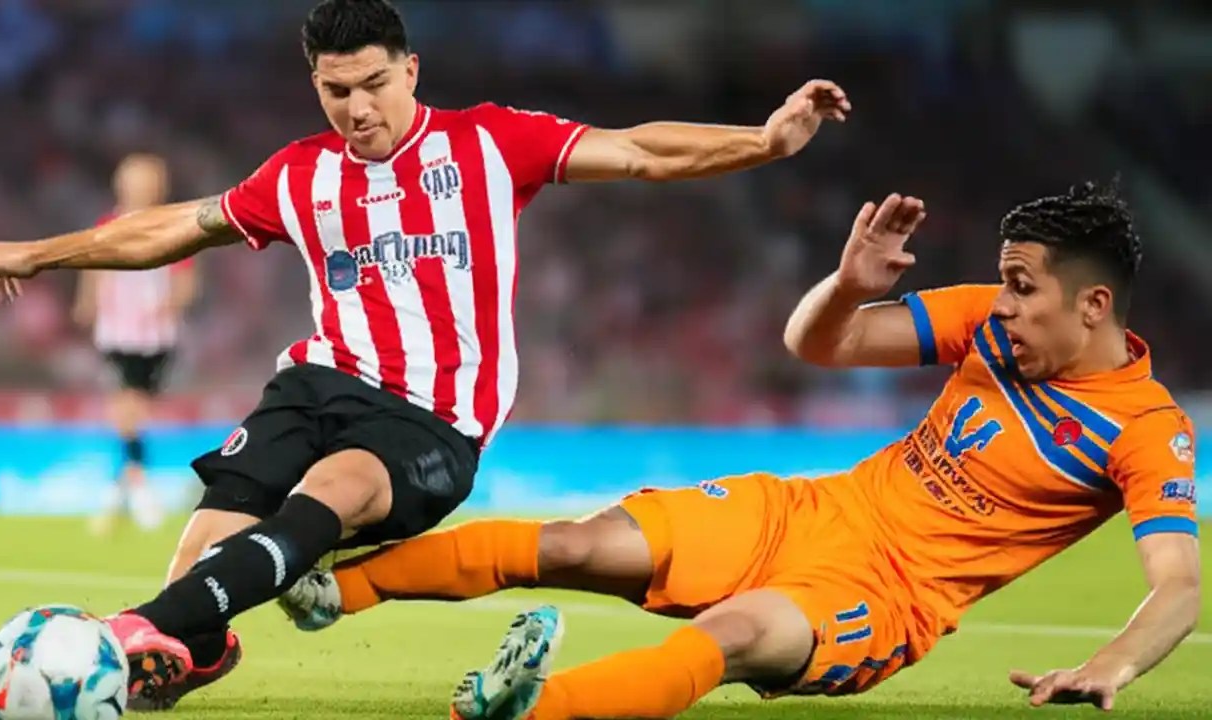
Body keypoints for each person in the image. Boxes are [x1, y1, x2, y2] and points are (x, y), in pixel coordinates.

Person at [0, 0, 851, 710]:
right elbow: (171, 227)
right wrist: (41, 252)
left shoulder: (489, 143)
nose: (357, 108)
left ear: (410, 70)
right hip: (314, 383)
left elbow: (643, 152)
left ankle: (126, 634)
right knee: (202, 553)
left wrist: (763, 142)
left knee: (331, 494)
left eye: (374, 84)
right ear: (316, 84)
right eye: (335, 90)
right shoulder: (300, 175)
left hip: (431, 417)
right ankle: (191, 646)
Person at [277, 184, 1201, 719]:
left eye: (1021, 287)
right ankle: (336, 590)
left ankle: (527, 708)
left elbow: (1180, 582)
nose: (1002, 302)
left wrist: (1112, 662)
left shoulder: (1146, 430)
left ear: (1092, 307)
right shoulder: (987, 324)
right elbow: (821, 344)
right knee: (579, 544)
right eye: (1003, 282)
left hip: (886, 596)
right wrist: (845, 286)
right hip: (814, 508)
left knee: (734, 636)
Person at [74, 154, 198, 535]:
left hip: (156, 334)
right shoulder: (108, 225)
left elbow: (184, 274)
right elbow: (92, 265)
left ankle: (123, 485)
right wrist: (86, 302)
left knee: (135, 410)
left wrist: (174, 302)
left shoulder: (168, 224)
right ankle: (137, 490)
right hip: (117, 331)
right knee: (125, 408)